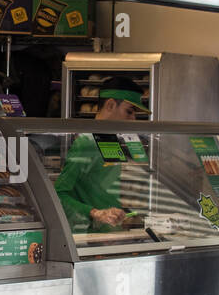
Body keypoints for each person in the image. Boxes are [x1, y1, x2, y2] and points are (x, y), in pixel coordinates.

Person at [53, 76, 149, 232]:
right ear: (110, 105)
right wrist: (96, 213)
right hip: (90, 237)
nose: (134, 119)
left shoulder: (109, 139)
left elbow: (105, 189)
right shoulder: (85, 143)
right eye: (129, 112)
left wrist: (127, 213)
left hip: (110, 237)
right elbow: (59, 194)